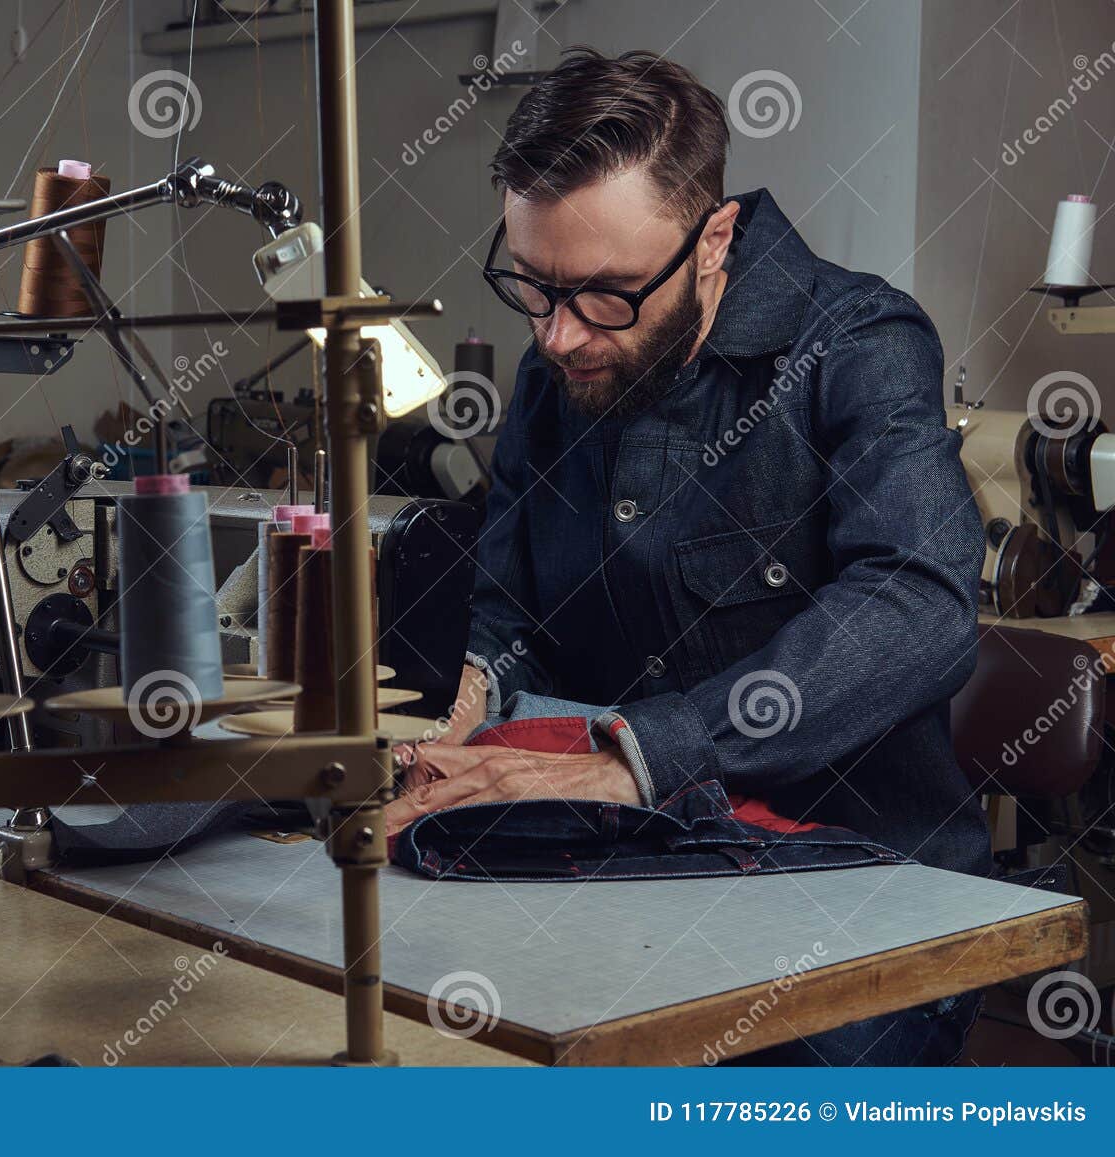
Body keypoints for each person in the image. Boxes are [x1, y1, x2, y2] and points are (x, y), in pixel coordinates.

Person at [383, 47, 989, 1065]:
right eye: (532, 287)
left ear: (714, 240)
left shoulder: (856, 345)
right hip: (628, 879)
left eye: (605, 296)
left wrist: (643, 758)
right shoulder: (552, 370)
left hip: (856, 901)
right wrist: (469, 708)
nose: (561, 336)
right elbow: (508, 603)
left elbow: (917, 603)